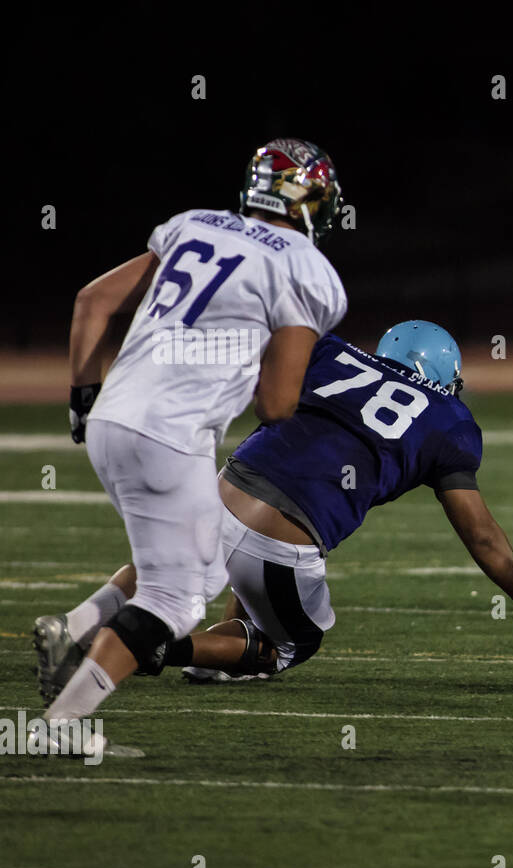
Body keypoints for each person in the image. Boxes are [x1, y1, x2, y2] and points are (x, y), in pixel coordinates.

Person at [43, 322, 513, 692]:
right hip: (282, 538)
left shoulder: (331, 353)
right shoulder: (449, 422)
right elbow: (483, 537)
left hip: (220, 489)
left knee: (168, 568)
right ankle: (157, 646)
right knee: (288, 645)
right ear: (442, 377)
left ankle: (74, 625)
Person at [32, 138, 348, 756]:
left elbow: (91, 302)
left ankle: (72, 631)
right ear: (310, 200)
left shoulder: (194, 224)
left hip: (113, 419)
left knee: (206, 564)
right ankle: (58, 728)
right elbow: (277, 406)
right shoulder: (304, 267)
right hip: (170, 435)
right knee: (175, 602)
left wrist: (81, 394)